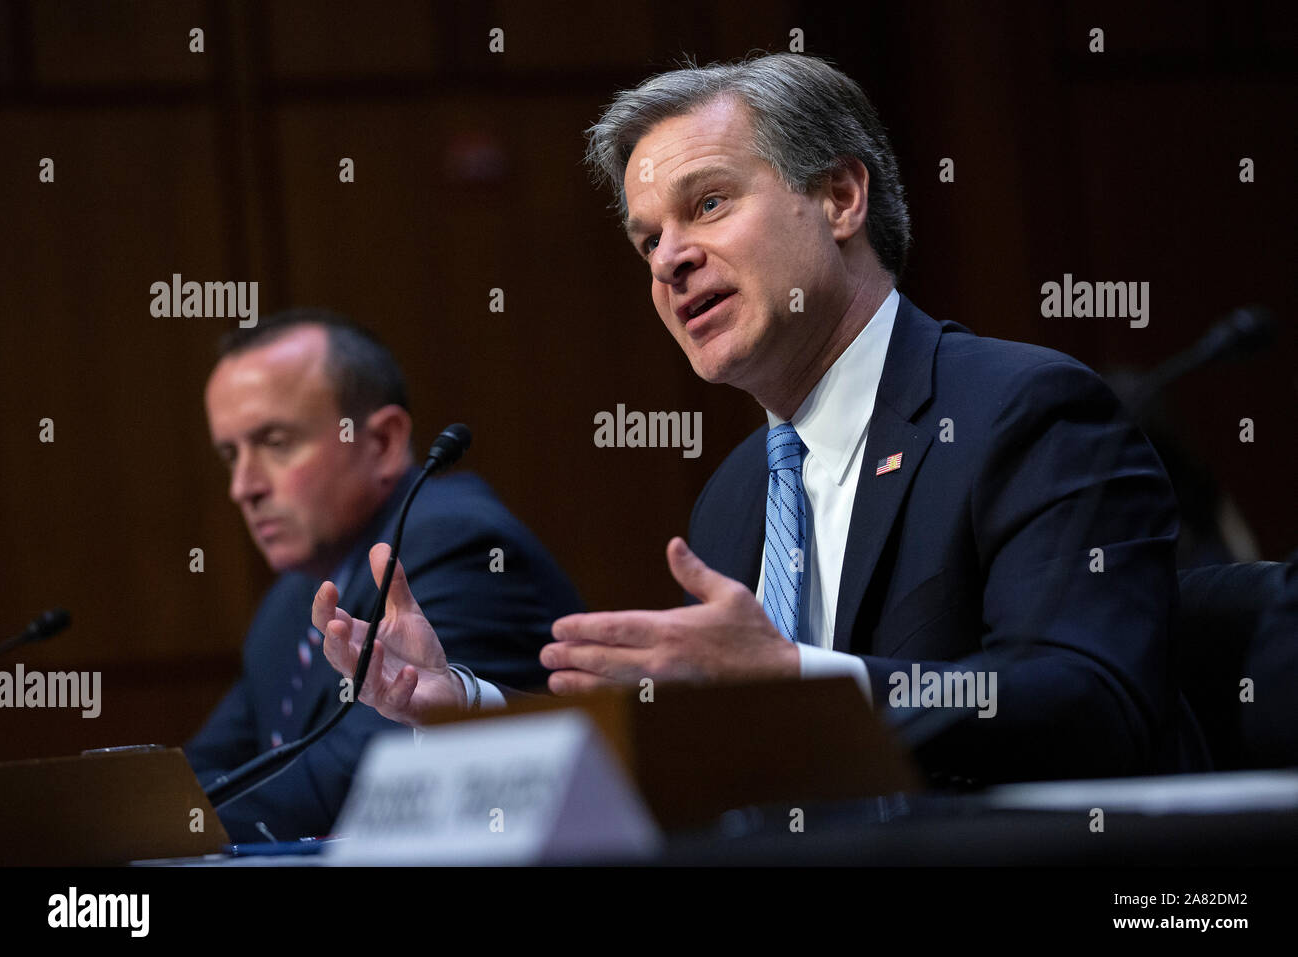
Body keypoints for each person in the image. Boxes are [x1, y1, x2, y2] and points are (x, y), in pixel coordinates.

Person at [314, 54, 1209, 786]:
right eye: (647, 240)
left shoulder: (1024, 412)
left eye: (706, 204)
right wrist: (466, 708)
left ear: (841, 199)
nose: (671, 260)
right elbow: (709, 753)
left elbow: (1093, 704)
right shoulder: (739, 496)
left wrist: (796, 686)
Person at [185, 309, 583, 840]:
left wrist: (152, 824)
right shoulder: (289, 602)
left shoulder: (455, 544)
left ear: (382, 443)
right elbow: (210, 767)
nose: (243, 486)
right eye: (231, 455)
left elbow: (366, 780)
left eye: (276, 442)